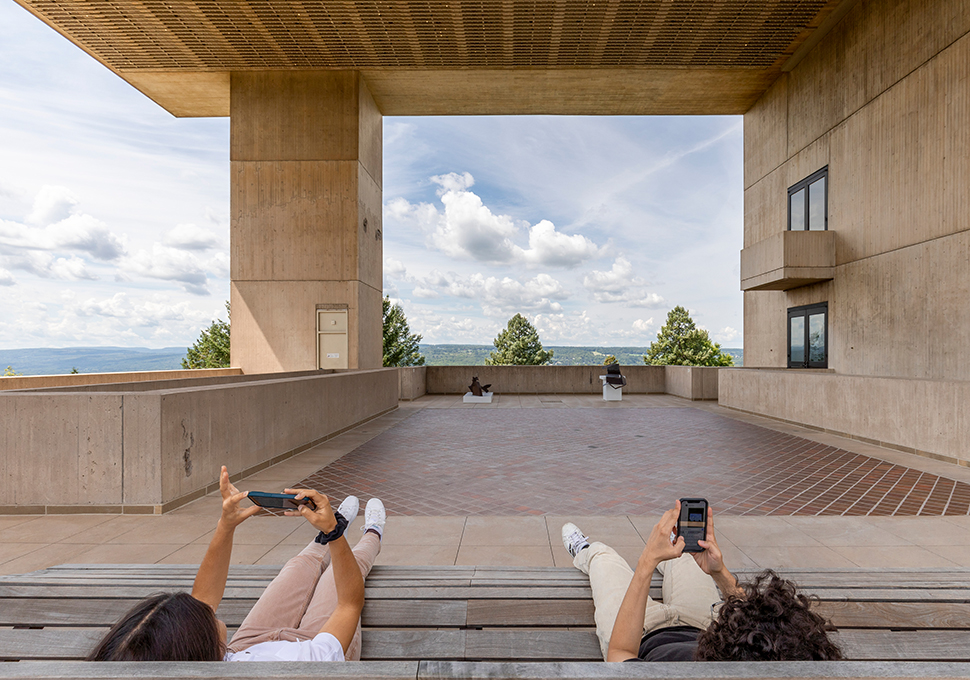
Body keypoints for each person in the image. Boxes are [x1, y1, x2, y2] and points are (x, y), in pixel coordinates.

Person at [88, 466, 386, 662]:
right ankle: (368, 533)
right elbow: (349, 604)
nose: (202, 607)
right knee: (342, 571)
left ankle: (327, 533)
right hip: (309, 642)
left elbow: (204, 599)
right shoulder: (308, 663)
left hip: (247, 645)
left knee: (299, 566)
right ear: (196, 649)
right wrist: (334, 533)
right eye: (199, 619)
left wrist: (226, 525)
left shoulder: (203, 659)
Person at [561, 501, 842, 662]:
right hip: (705, 630)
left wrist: (647, 562)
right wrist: (718, 571)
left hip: (640, 634)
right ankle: (672, 551)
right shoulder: (749, 654)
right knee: (687, 556)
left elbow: (620, 652)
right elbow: (756, 619)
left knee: (605, 560)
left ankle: (584, 551)